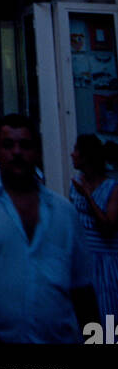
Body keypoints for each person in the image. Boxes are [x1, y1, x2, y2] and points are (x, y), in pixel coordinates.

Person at [0, 114, 99, 343]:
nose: (16, 152)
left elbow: (83, 291)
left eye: (25, 145)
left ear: (37, 152)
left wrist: (98, 339)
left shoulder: (63, 213)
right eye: (8, 145)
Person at [69, 133, 118, 325]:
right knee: (86, 320)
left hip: (105, 264)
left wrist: (88, 196)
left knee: (107, 320)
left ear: (85, 156)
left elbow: (108, 228)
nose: (72, 155)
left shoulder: (112, 188)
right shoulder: (76, 183)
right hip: (83, 260)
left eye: (76, 150)